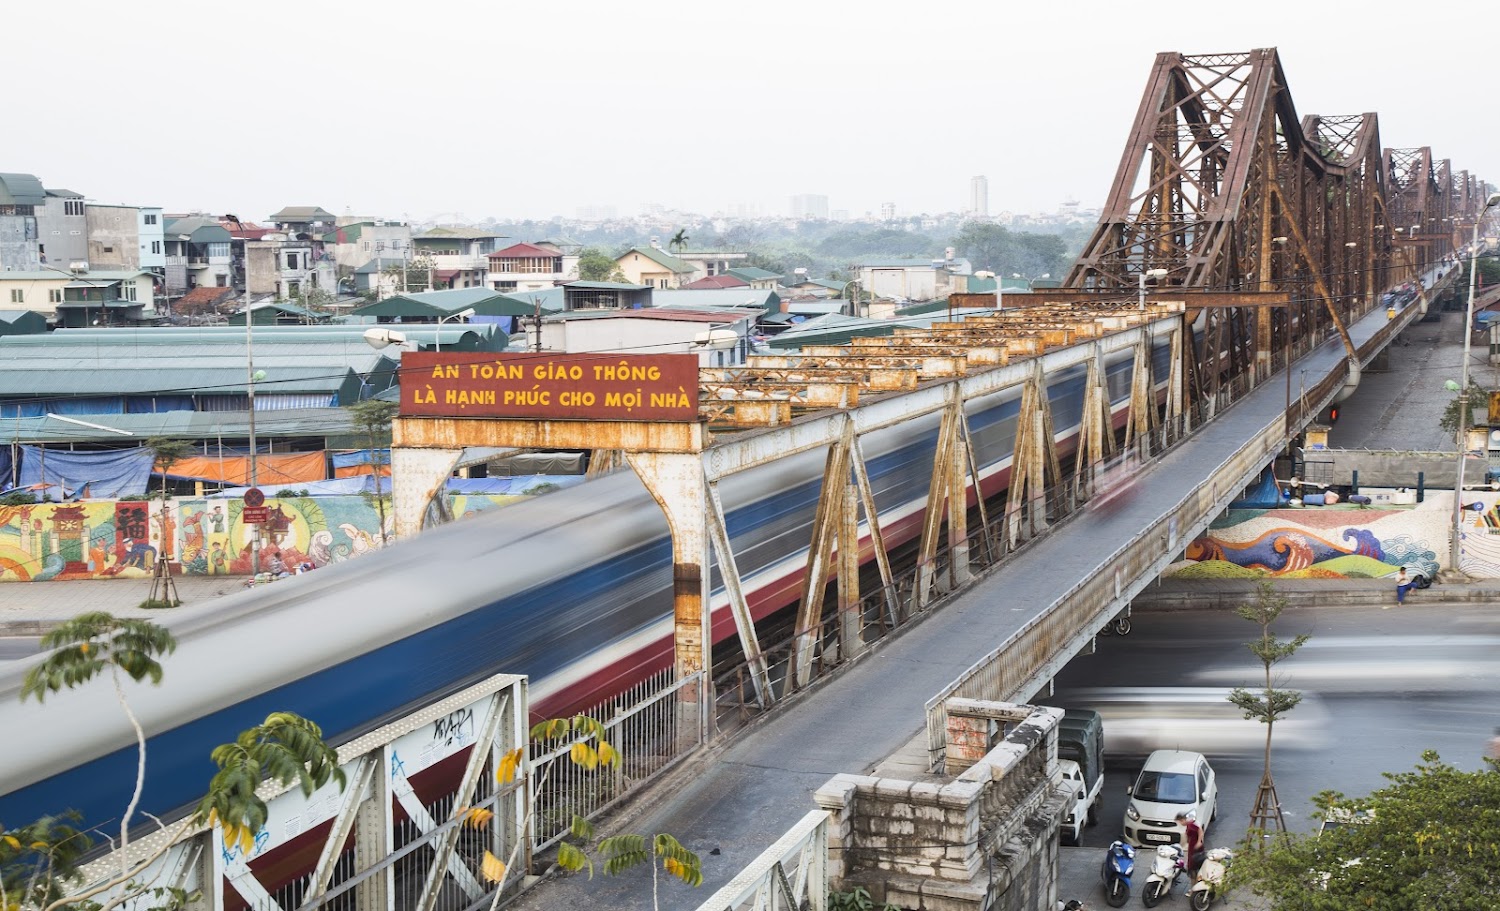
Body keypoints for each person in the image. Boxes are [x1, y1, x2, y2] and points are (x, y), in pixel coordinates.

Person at [1178, 811, 1204, 875]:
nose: (1180, 824)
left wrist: (1198, 842)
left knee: (1193, 865)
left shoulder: (1191, 824)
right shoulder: (1190, 824)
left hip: (1195, 846)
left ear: (1183, 820)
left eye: (1180, 822)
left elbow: (1200, 831)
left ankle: (1194, 879)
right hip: (1192, 845)